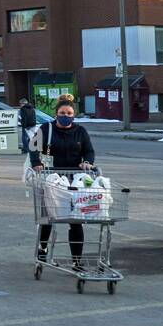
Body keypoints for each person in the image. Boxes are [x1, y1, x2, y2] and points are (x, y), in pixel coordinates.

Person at [30, 98, 96, 267]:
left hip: (73, 180)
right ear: (56, 114)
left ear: (74, 115)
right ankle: (42, 250)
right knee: (49, 218)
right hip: (51, 179)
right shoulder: (46, 129)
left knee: (75, 220)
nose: (65, 116)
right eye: (62, 113)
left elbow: (89, 151)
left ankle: (77, 260)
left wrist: (87, 162)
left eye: (69, 114)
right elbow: (33, 147)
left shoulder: (80, 131)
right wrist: (36, 163)